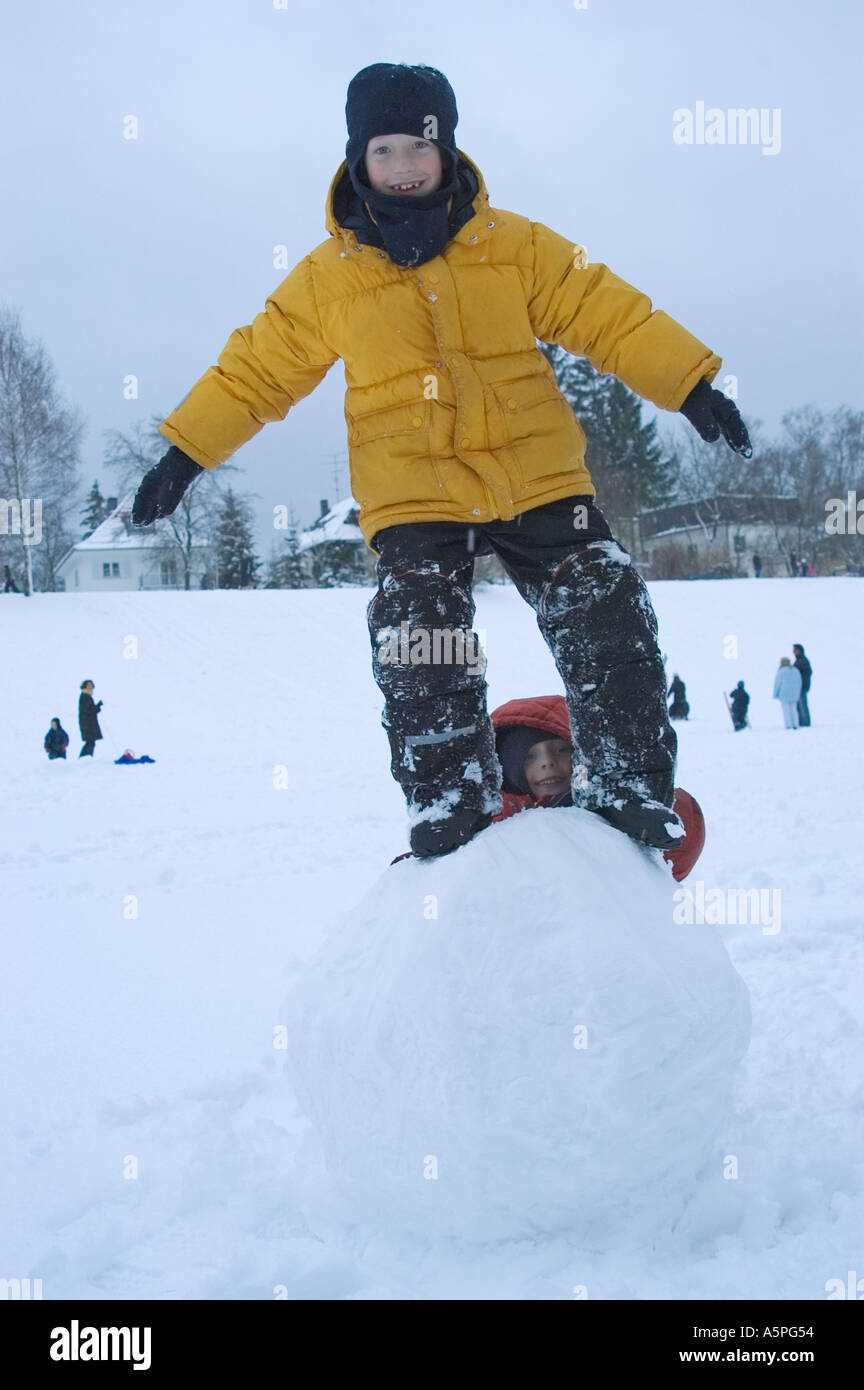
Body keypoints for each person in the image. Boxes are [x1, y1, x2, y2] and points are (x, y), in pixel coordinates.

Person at [130, 62, 751, 859]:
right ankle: (450, 799)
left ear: (447, 148)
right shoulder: (328, 278)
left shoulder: (513, 244)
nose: (403, 165)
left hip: (534, 474)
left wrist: (689, 384)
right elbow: (256, 371)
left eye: (419, 146)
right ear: (358, 159)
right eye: (383, 150)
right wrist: (185, 453)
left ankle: (629, 786)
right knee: (420, 635)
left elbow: (606, 311)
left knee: (606, 605)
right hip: (412, 491)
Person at [490, 695, 705, 880]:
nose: (547, 762)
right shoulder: (495, 817)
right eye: (530, 756)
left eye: (561, 750)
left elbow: (681, 846)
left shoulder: (608, 804)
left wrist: (618, 811)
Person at [772, 658, 802, 729]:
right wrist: (798, 692)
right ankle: (795, 724)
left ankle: (788, 724)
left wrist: (775, 694)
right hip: (794, 693)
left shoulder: (781, 671)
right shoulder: (796, 671)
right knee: (794, 709)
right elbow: (799, 682)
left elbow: (777, 684)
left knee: (786, 710)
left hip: (784, 693)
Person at [78, 679, 103, 757]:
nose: (90, 686)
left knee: (91, 742)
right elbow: (88, 710)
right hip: (88, 724)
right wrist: (97, 707)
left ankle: (86, 757)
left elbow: (90, 709)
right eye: (88, 685)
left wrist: (96, 707)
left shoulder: (87, 696)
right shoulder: (85, 696)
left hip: (88, 723)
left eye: (91, 685)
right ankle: (85, 757)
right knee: (90, 742)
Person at [792, 643, 812, 726]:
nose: (793, 652)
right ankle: (801, 722)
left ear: (799, 650)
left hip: (802, 687)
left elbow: (807, 673)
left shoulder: (802, 661)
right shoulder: (798, 661)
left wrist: (801, 682)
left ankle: (805, 723)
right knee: (799, 706)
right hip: (799, 687)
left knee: (802, 705)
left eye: (795, 650)